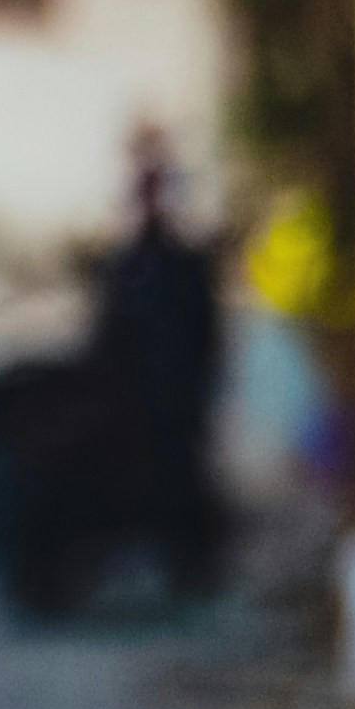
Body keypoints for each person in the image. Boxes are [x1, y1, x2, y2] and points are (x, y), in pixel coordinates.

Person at [81, 128, 229, 592]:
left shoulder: (179, 263)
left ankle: (190, 560)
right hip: (141, 386)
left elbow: (204, 329)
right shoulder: (128, 264)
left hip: (176, 387)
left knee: (181, 471)